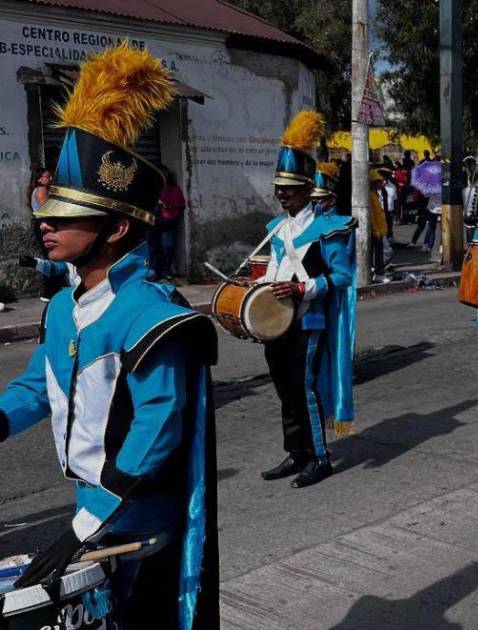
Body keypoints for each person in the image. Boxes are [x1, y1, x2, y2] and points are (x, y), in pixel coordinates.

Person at [0, 44, 218, 629]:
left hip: (139, 518)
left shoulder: (148, 313)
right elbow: (40, 385)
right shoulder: (62, 307)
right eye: (49, 211)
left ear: (117, 227)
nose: (45, 222)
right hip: (92, 510)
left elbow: (159, 426)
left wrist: (84, 524)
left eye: (67, 214)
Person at [257, 110, 356, 489]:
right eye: (278, 187)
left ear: (306, 188)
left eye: (290, 187)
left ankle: (320, 456)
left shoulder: (328, 228)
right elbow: (274, 270)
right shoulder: (276, 229)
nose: (282, 193)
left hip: (309, 321)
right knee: (285, 390)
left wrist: (303, 288)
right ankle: (296, 451)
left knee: (305, 390)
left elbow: (343, 277)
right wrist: (257, 287)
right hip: (278, 320)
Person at [28, 166, 63, 301]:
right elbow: (48, 210)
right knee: (51, 257)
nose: (51, 178)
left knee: (49, 256)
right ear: (39, 179)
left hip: (40, 223)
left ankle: (50, 290)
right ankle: (49, 291)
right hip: (44, 223)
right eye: (47, 177)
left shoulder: (35, 190)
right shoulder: (42, 190)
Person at [153, 167, 185, 281]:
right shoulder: (154, 189)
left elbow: (181, 204)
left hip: (169, 222)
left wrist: (172, 206)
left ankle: (165, 271)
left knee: (168, 246)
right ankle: (155, 271)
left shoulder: (175, 190)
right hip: (155, 221)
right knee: (154, 248)